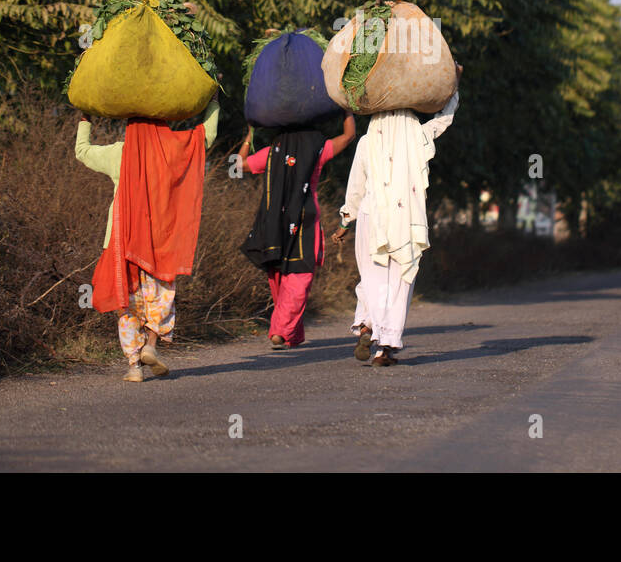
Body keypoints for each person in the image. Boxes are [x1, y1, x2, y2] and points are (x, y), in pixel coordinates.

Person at [75, 99, 219, 382]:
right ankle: (151, 346)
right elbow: (207, 135)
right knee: (160, 297)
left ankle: (134, 366)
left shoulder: (120, 152)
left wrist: (85, 116)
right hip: (161, 243)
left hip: (122, 241)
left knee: (126, 304)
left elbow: (82, 151)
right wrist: (213, 101)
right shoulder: (174, 148)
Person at [332, 66, 461, 366]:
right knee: (400, 280)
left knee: (373, 278)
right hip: (405, 219)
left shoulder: (367, 141)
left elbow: (355, 188)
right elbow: (444, 119)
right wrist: (454, 87)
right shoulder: (417, 135)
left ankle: (366, 322)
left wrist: (344, 221)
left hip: (370, 217)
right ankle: (384, 347)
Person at [238, 111, 357, 349]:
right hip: (305, 222)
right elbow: (349, 136)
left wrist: (249, 135)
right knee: (299, 277)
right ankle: (281, 331)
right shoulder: (316, 150)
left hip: (274, 225)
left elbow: (235, 167)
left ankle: (291, 334)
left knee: (282, 280)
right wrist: (346, 109)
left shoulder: (272, 153)